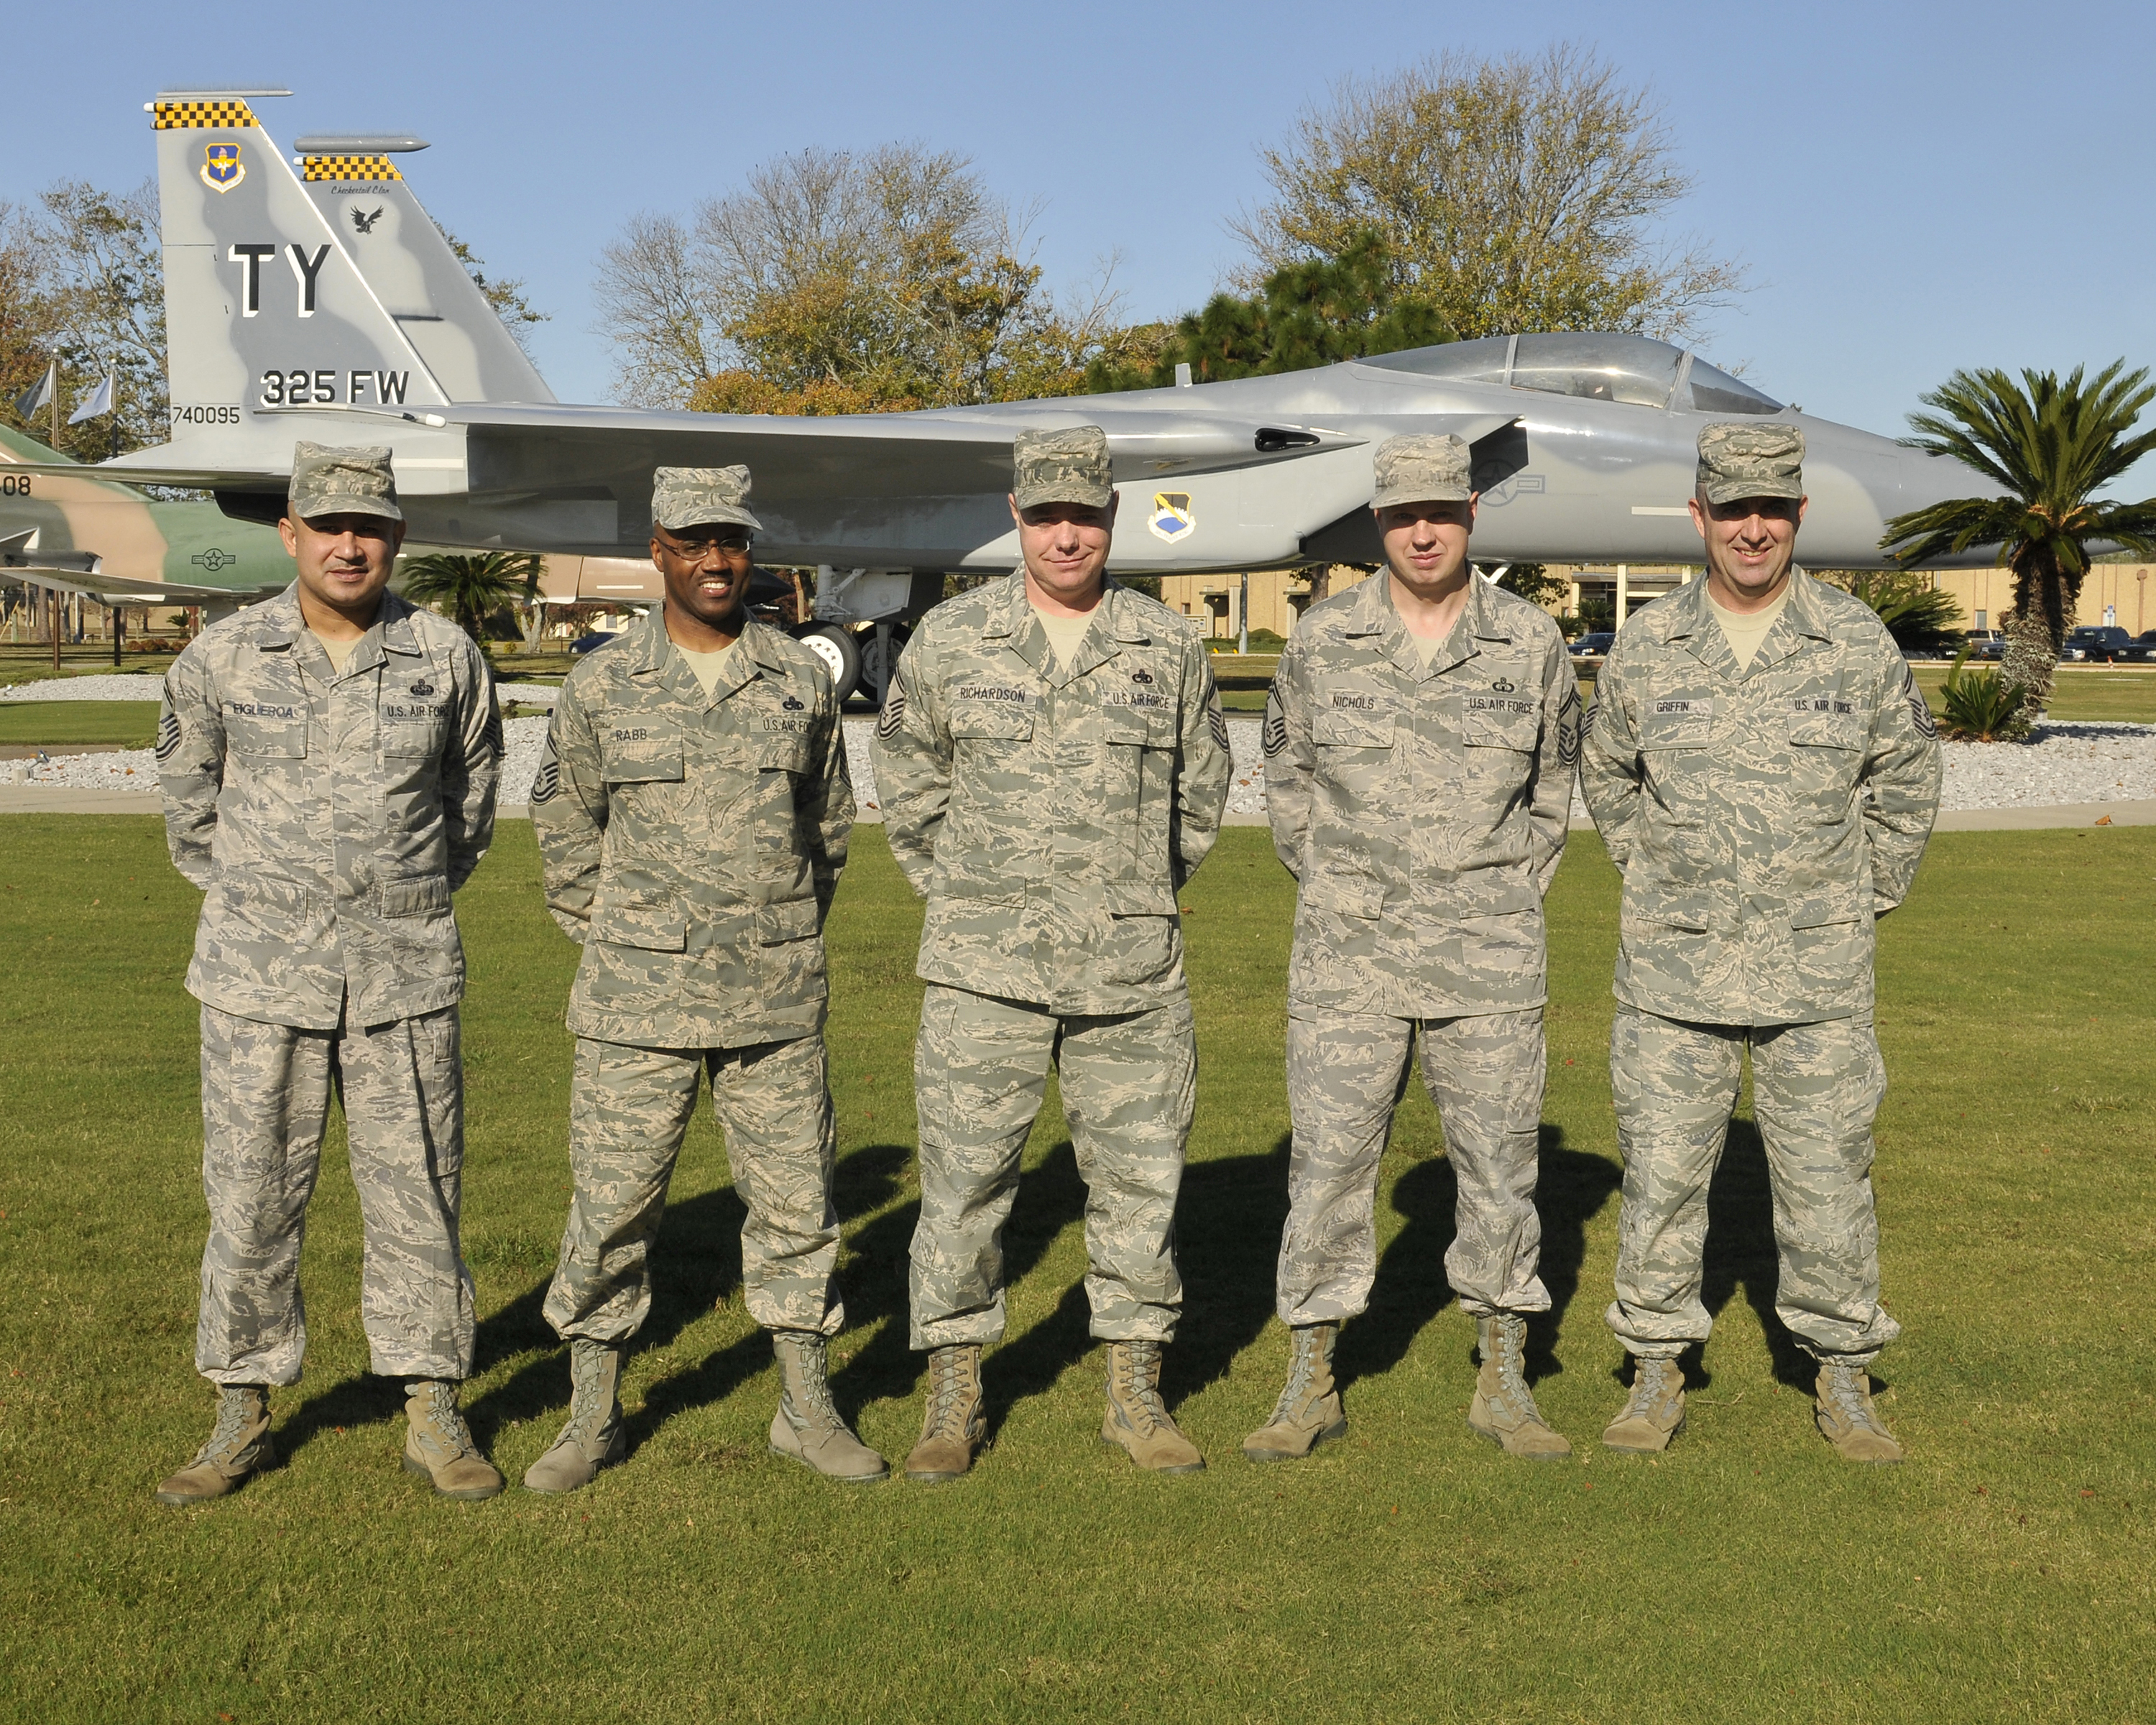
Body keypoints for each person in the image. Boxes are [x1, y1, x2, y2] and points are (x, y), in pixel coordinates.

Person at [872, 426, 1233, 1481]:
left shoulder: (1166, 646)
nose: (1065, 535)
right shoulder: (952, 639)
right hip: (985, 970)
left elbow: (1199, 799)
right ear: (1018, 519)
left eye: (1084, 515)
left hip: (1128, 975)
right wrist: (981, 899)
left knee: (1139, 1180)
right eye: (1045, 516)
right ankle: (953, 1388)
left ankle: (1135, 1387)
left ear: (1110, 519)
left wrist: (1130, 897)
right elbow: (908, 786)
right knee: (964, 1185)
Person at [1578, 423, 1941, 1463]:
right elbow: (1608, 775)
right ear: (1699, 516)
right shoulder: (1649, 644)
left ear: (1798, 520)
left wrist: (1856, 892)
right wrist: (1658, 872)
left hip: (1816, 972)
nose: (1751, 528)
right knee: (1660, 1181)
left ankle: (1842, 1376)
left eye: (1771, 509)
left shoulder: (1853, 641)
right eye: (1732, 508)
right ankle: (1654, 1370)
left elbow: (1907, 781)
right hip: (1674, 970)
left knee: (1830, 1182)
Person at [153, 441, 503, 1504]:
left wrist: (383, 905)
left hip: (401, 979)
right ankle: (240, 1409)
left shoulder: (445, 659)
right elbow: (190, 810)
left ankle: (433, 1407)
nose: (353, 544)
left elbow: (467, 817)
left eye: (374, 527)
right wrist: (281, 904)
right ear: (291, 534)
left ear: (397, 537)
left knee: (419, 1200)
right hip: (260, 981)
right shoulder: (221, 659)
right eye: (332, 525)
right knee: (252, 1196)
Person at [525, 464, 880, 1491]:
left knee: (797, 1205)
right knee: (613, 1207)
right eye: (693, 542)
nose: (716, 561)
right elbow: (564, 832)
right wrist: (635, 938)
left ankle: (806, 1406)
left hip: (772, 999)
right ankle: (592, 1412)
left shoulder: (799, 679)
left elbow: (830, 831)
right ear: (659, 551)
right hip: (636, 1002)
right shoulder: (600, 684)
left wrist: (772, 936)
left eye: (731, 540)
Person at [1245, 433, 1582, 1464]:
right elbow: (1289, 788)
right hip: (1349, 959)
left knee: (1498, 1169)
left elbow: (1553, 797)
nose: (1422, 530)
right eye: (1401, 515)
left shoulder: (1529, 643)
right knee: (1332, 1169)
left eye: (1439, 511)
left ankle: (1503, 1375)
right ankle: (1311, 1377)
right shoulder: (1322, 640)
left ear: (1472, 513)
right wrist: (1355, 890)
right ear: (1378, 524)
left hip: (1487, 961)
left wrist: (1488, 895)